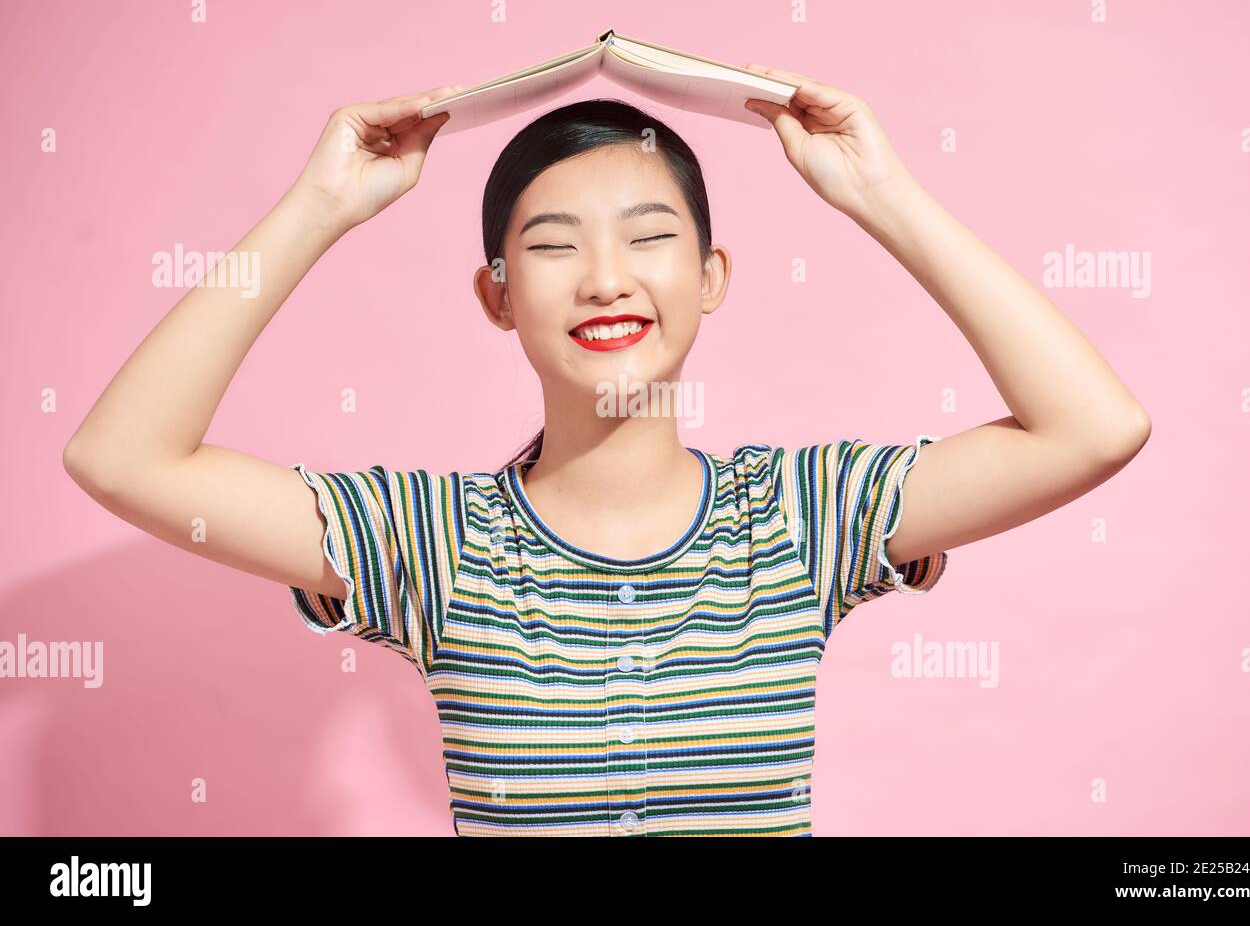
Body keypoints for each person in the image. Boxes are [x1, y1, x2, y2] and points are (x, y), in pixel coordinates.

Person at [62, 65, 1150, 836]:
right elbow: (123, 458)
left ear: (711, 277)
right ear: (497, 297)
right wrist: (318, 206)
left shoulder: (801, 518)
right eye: (550, 246)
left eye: (647, 237)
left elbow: (1092, 429)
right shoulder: (431, 543)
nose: (604, 278)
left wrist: (878, 193)